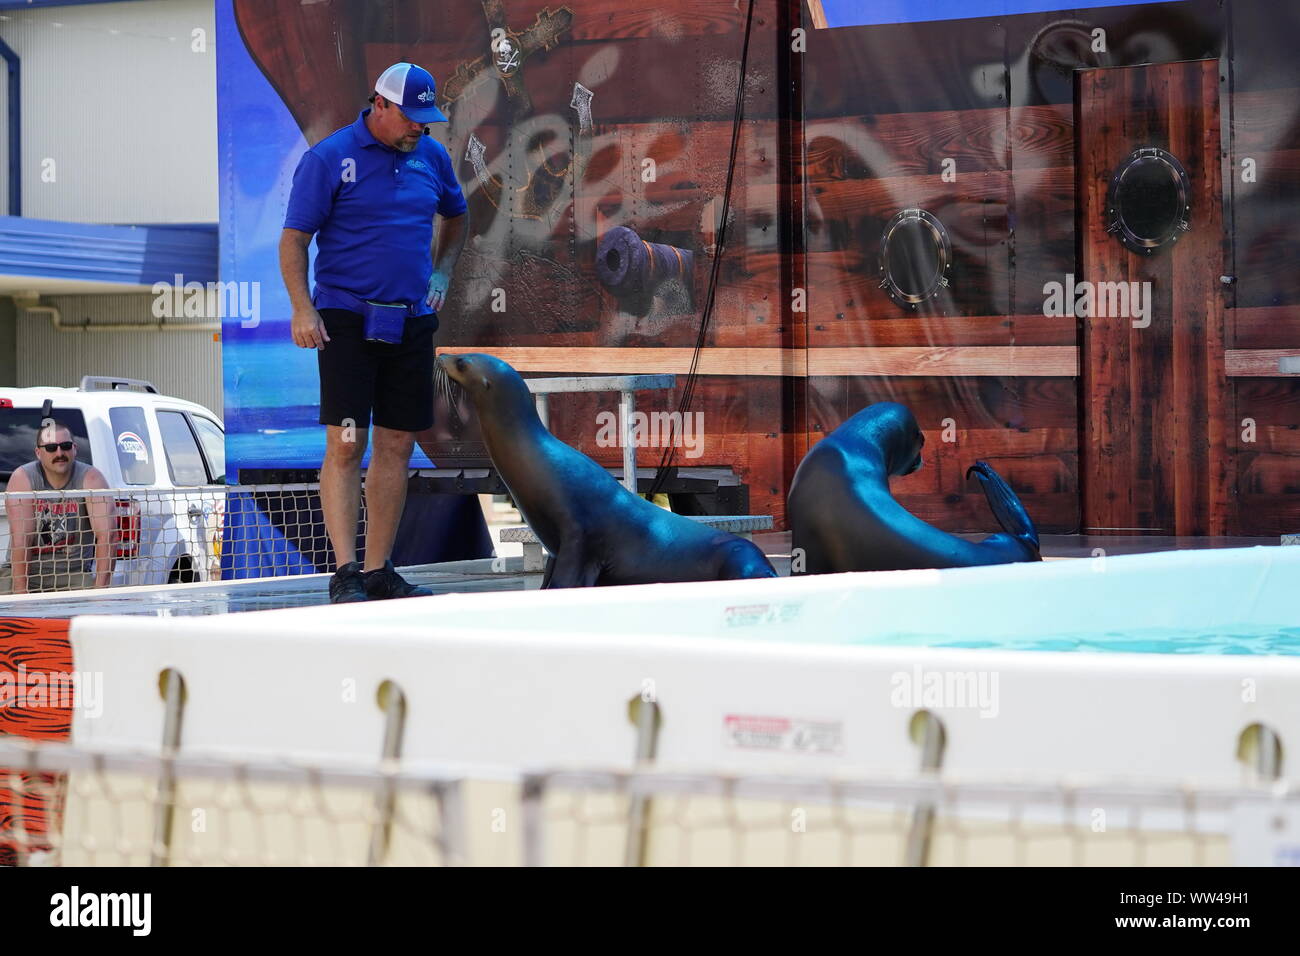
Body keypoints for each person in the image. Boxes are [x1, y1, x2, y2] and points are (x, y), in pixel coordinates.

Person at [280, 62, 470, 603]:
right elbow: (294, 240)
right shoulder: (329, 158)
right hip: (346, 319)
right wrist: (302, 309)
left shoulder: (431, 155)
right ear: (379, 105)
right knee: (347, 442)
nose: (419, 128)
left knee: (397, 442)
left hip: (409, 320)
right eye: (410, 117)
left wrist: (442, 272)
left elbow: (457, 216)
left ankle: (379, 570)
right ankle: (345, 572)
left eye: (426, 119)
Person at [3, 421, 113, 593]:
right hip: (25, 572)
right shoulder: (23, 478)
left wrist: (101, 593)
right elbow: (21, 541)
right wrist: (21, 597)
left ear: (75, 448)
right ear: (38, 453)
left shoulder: (91, 478)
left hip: (73, 575)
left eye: (66, 446)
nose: (60, 453)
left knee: (90, 596)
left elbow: (108, 536)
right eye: (51, 448)